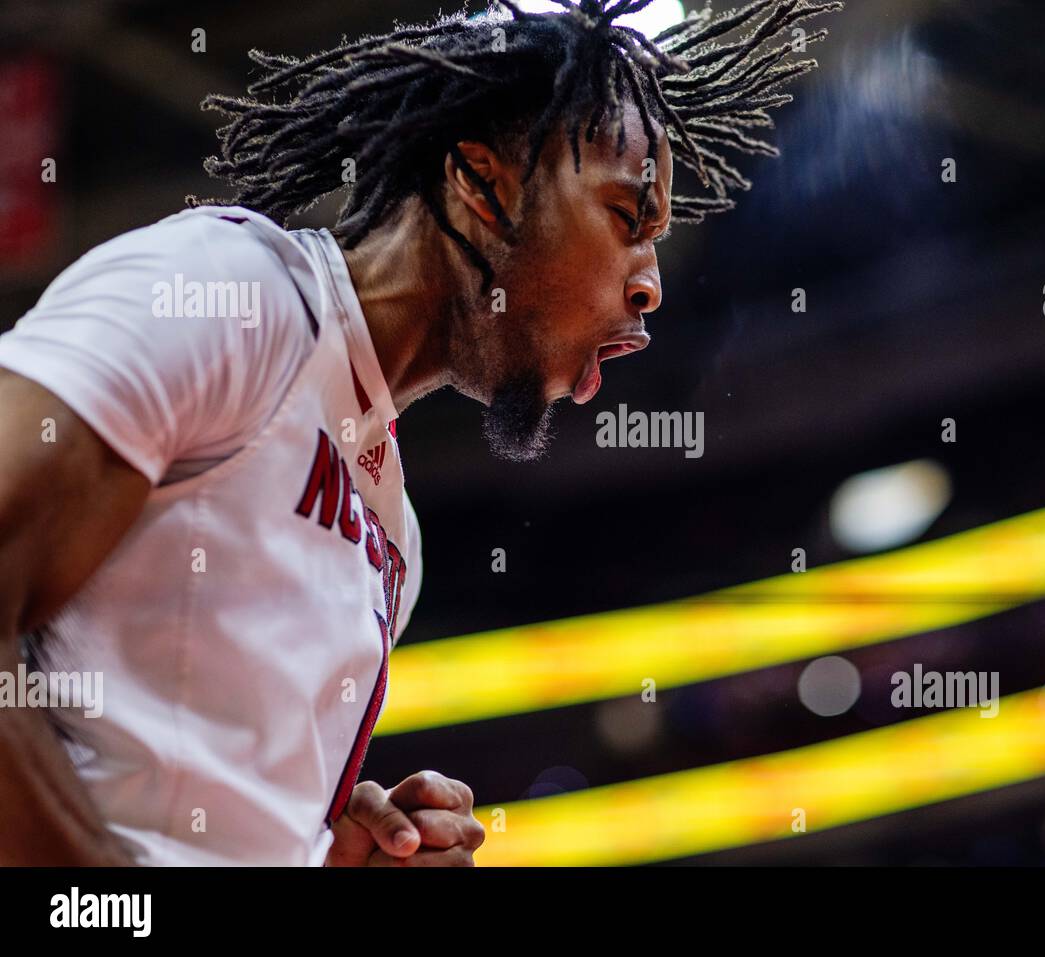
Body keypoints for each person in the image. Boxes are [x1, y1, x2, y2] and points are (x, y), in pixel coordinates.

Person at [0, 0, 840, 865]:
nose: (651, 286)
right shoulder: (231, 293)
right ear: (481, 185)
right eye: (630, 220)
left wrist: (338, 856)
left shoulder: (393, 529)